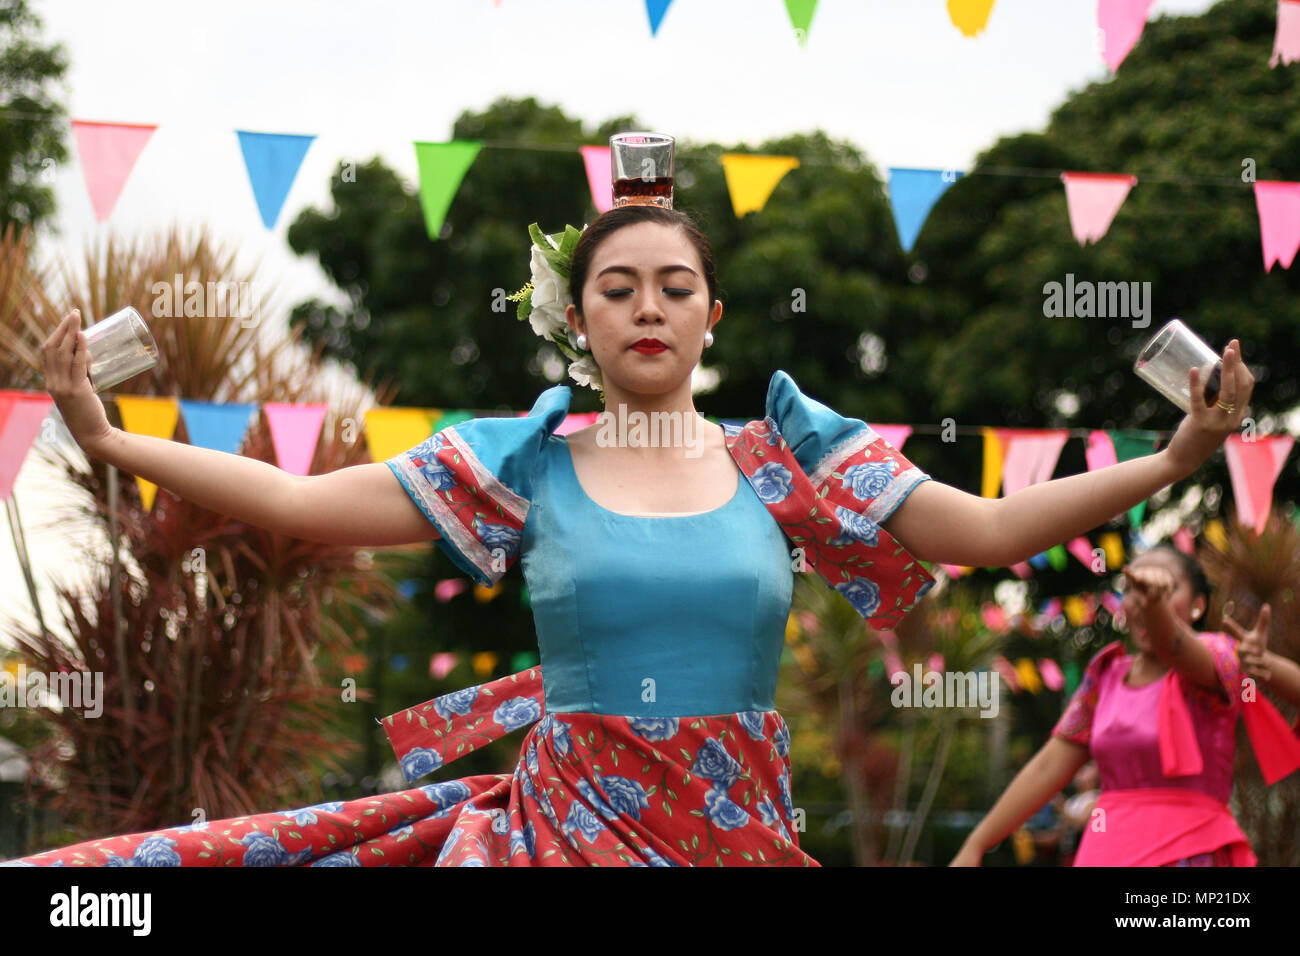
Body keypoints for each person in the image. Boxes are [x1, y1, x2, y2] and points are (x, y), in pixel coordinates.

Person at [8, 203, 1256, 866]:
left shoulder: (787, 461)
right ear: (580, 324)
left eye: (673, 287)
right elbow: (290, 502)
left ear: (711, 315)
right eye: (617, 288)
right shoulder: (521, 464)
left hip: (740, 831)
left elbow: (984, 527)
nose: (647, 306)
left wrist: (1175, 457)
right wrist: (110, 440)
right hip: (559, 832)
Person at [950, 545, 1300, 867]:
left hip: (1192, 852)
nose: (1142, 600)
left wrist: (1155, 606)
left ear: (1198, 605)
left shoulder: (1219, 654)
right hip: (1106, 851)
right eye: (1132, 590)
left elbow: (1174, 645)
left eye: (1167, 589)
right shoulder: (1104, 677)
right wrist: (977, 843)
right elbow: (1046, 769)